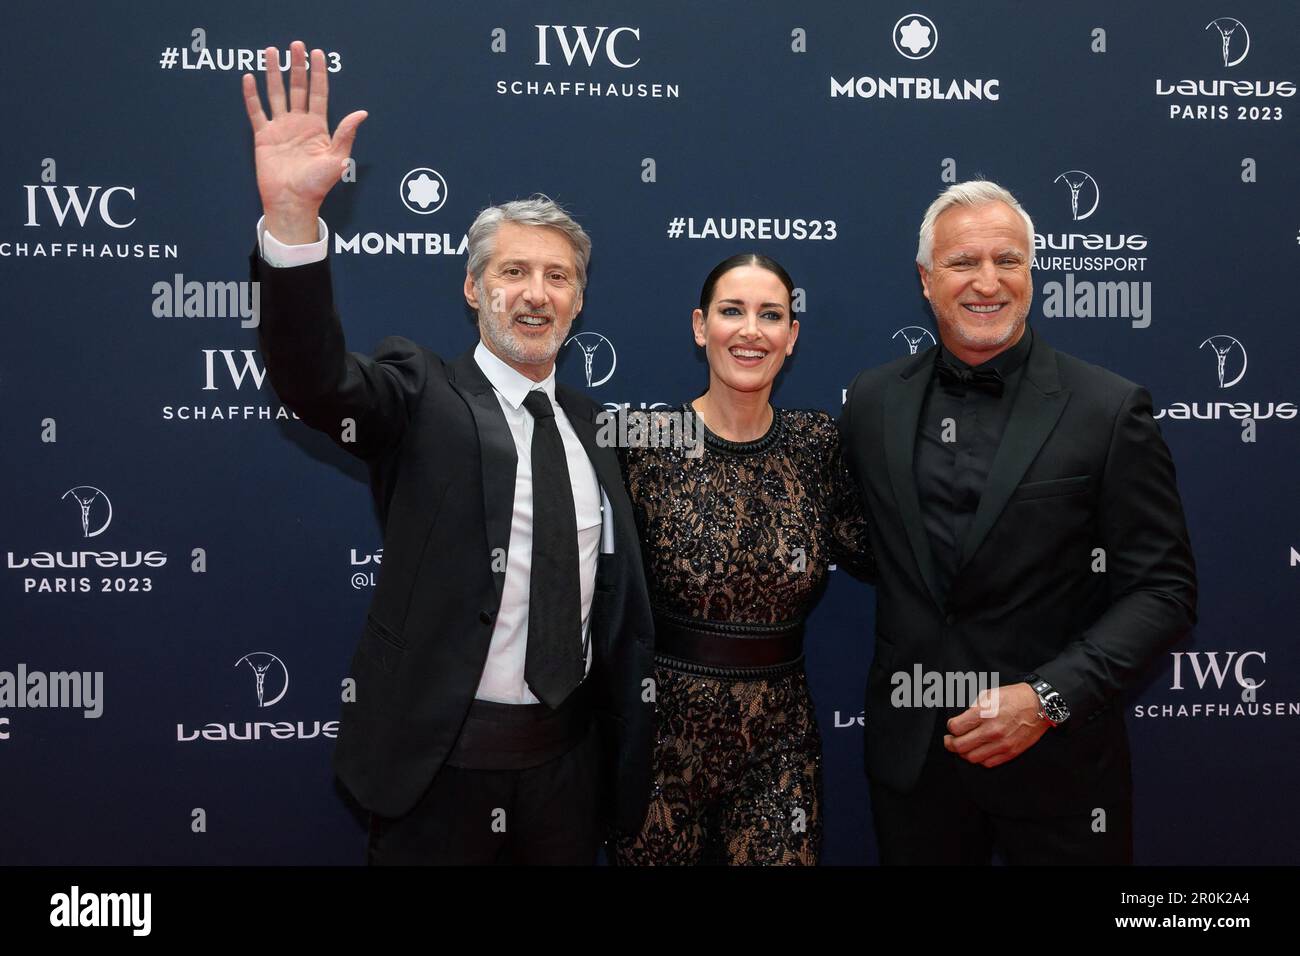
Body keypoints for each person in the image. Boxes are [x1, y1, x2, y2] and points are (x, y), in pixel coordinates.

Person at [241, 41, 654, 864]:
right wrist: (292, 224)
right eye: (513, 272)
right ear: (473, 288)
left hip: (569, 769)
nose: (536, 293)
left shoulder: (594, 423)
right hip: (439, 770)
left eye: (558, 276)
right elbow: (314, 380)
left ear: (579, 299)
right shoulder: (418, 391)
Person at [838, 180, 1197, 864]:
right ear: (925, 279)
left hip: (1059, 768)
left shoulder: (1108, 409)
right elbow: (871, 549)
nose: (988, 282)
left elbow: (1164, 592)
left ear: (1033, 272)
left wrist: (1047, 699)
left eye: (1008, 260)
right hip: (914, 767)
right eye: (964, 262)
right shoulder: (873, 401)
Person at [612, 254, 875, 865]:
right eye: (732, 312)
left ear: (793, 335)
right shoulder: (641, 442)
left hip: (779, 743)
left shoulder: (817, 443)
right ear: (701, 327)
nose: (751, 330)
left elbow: (882, 553)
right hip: (659, 744)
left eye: (771, 315)